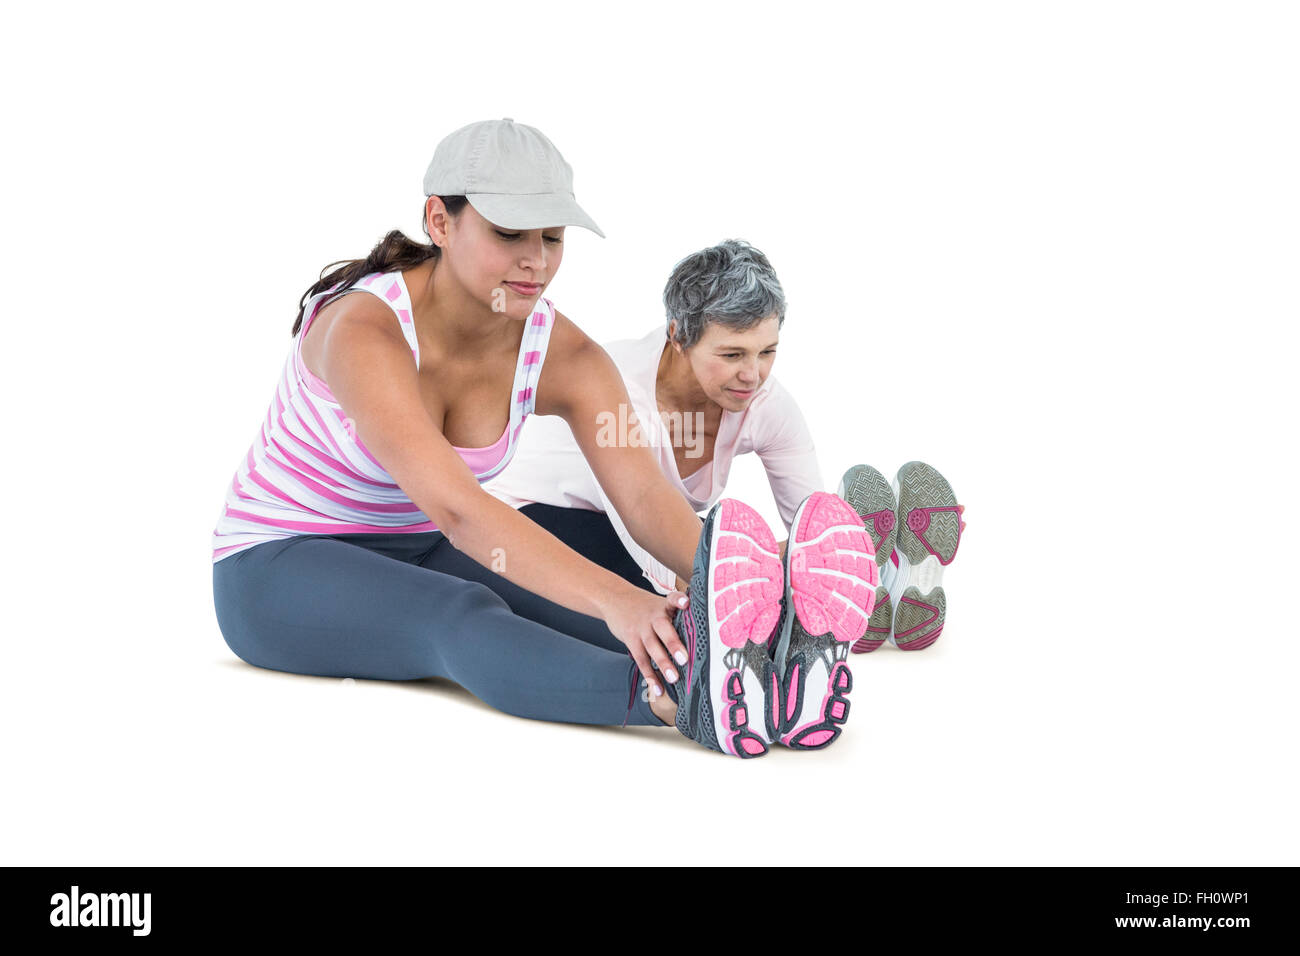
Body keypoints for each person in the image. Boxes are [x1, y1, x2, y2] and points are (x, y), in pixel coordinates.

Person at [209, 118, 878, 758]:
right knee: (464, 609)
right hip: (276, 565)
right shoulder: (363, 332)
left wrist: (728, 587)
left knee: (637, 621)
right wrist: (620, 599)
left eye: (552, 238)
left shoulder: (559, 350)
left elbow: (644, 496)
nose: (535, 261)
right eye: (509, 233)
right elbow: (459, 509)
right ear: (440, 220)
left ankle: (769, 671)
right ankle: (689, 701)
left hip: (418, 546)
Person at [483, 239, 823, 596]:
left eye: (767, 352)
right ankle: (755, 595)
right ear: (678, 337)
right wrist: (774, 561)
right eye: (732, 355)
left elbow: (813, 522)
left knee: (721, 544)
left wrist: (815, 553)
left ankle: (868, 594)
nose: (753, 375)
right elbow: (655, 550)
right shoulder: (618, 393)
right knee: (692, 569)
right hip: (533, 522)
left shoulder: (765, 401)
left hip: (639, 528)